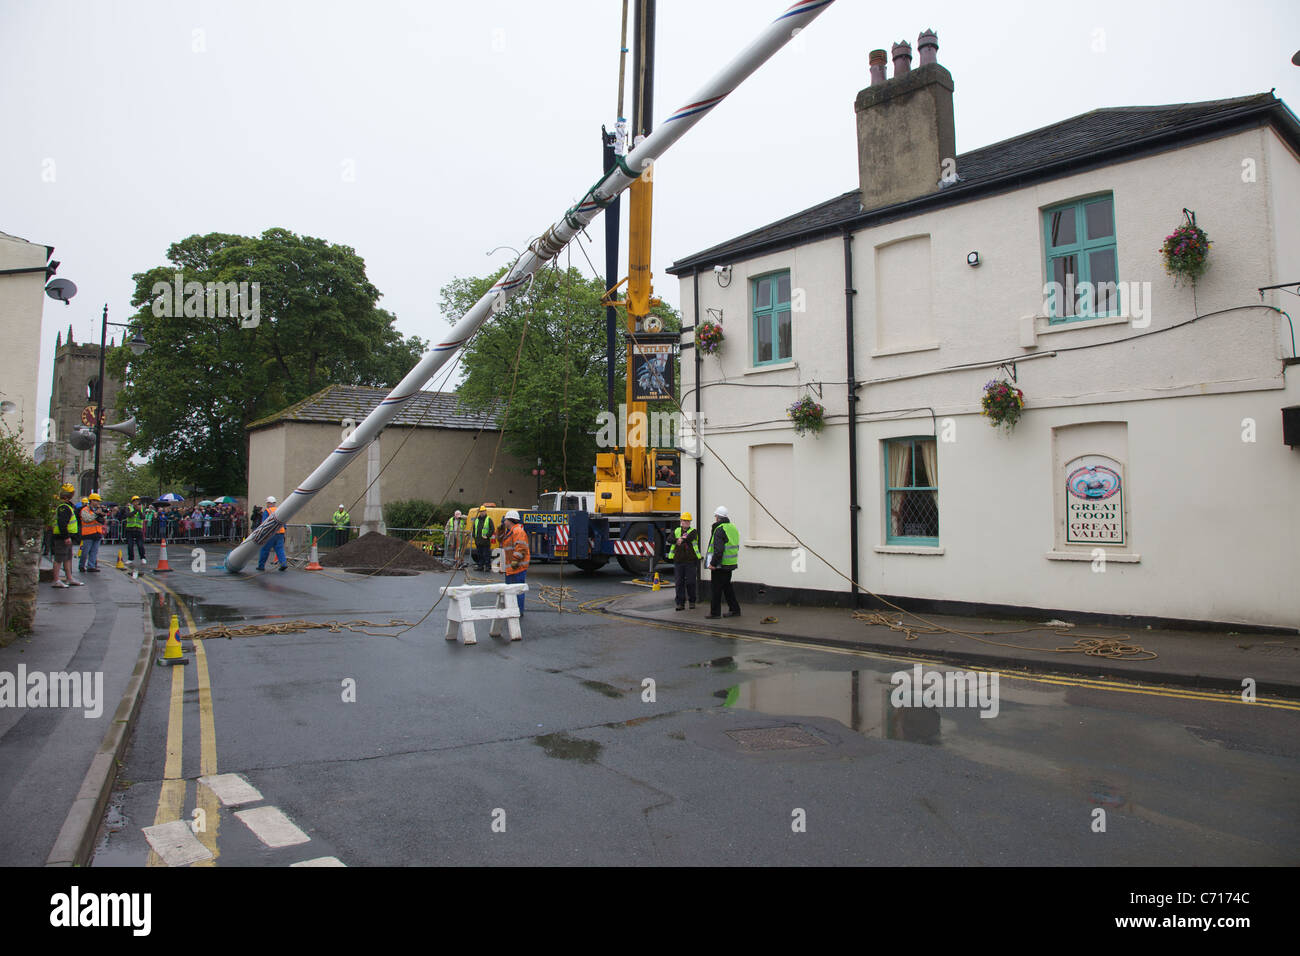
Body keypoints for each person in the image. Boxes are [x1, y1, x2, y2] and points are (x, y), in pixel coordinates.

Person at [705, 505, 741, 619]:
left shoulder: (719, 529)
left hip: (721, 565)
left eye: (715, 516)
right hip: (730, 563)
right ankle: (735, 610)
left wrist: (713, 564)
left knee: (716, 589)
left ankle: (715, 613)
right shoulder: (732, 527)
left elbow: (719, 550)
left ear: (718, 517)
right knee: (727, 587)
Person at [50, 485, 84, 588]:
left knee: (67, 558)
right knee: (59, 558)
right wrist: (66, 537)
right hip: (62, 537)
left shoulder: (66, 506)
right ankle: (56, 580)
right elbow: (62, 523)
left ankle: (69, 578)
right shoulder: (64, 507)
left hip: (66, 536)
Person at [667, 511, 702, 610]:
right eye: (683, 520)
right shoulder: (676, 530)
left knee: (691, 582)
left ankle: (692, 601)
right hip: (678, 561)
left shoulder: (693, 531)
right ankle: (680, 603)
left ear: (689, 522)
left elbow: (690, 538)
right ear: (681, 521)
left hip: (690, 561)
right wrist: (677, 540)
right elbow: (669, 539)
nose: (684, 522)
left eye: (686, 521)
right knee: (679, 583)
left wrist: (681, 539)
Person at [497, 509, 529, 613]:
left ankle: (518, 611)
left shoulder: (518, 531)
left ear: (510, 520)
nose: (504, 522)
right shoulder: (509, 532)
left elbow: (521, 547)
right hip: (511, 567)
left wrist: (515, 560)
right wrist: (500, 530)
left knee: (517, 590)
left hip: (518, 567)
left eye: (505, 520)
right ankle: (512, 610)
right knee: (510, 591)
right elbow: (500, 541)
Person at [256, 495, 288, 571]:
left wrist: (262, 533)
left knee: (265, 549)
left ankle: (261, 566)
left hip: (271, 533)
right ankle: (283, 564)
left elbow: (264, 523)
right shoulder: (279, 510)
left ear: (268, 503)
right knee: (280, 549)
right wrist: (284, 529)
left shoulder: (267, 511)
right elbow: (283, 521)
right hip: (280, 533)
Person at [79, 493, 105, 572]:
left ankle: (91, 566)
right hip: (88, 534)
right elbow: (87, 519)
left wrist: (101, 515)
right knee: (85, 552)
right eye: (96, 501)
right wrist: (96, 514)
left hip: (97, 533)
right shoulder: (85, 510)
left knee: (94, 551)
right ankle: (81, 565)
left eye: (98, 501)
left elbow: (102, 521)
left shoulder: (98, 510)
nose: (97, 503)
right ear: (91, 501)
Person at [123, 496, 148, 566]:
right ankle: (130, 558)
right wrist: (136, 510)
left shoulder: (142, 508)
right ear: (132, 502)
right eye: (135, 501)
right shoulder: (129, 508)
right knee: (130, 545)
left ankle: (143, 558)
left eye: (137, 501)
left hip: (138, 529)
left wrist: (139, 510)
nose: (136, 502)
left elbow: (143, 517)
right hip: (130, 529)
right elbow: (128, 515)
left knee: (140, 545)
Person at [471, 505, 495, 572]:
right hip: (478, 541)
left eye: (483, 511)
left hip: (485, 541)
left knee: (486, 554)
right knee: (479, 554)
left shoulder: (488, 519)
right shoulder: (476, 520)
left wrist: (487, 535)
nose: (482, 513)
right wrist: (474, 536)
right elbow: (474, 529)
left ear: (485, 511)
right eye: (481, 511)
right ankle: (480, 566)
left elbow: (492, 529)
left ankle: (487, 566)